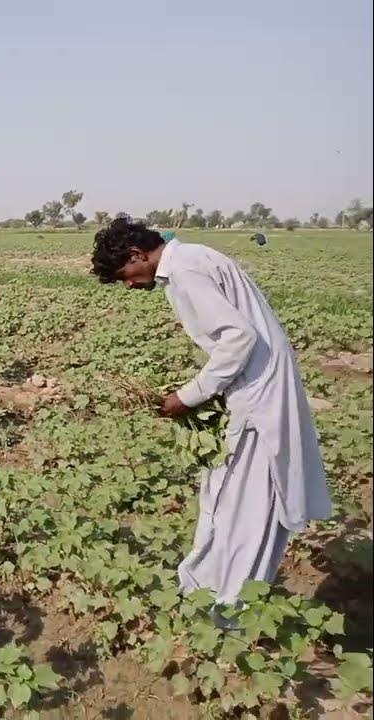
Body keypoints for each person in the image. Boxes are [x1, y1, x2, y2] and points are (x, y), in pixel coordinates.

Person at [90, 217, 331, 606]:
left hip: (257, 397)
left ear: (137, 255)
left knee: (239, 504)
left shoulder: (184, 271)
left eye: (125, 274)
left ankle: (223, 602)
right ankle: (217, 590)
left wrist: (189, 396)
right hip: (259, 386)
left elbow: (238, 337)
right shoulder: (191, 258)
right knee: (241, 496)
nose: (130, 284)